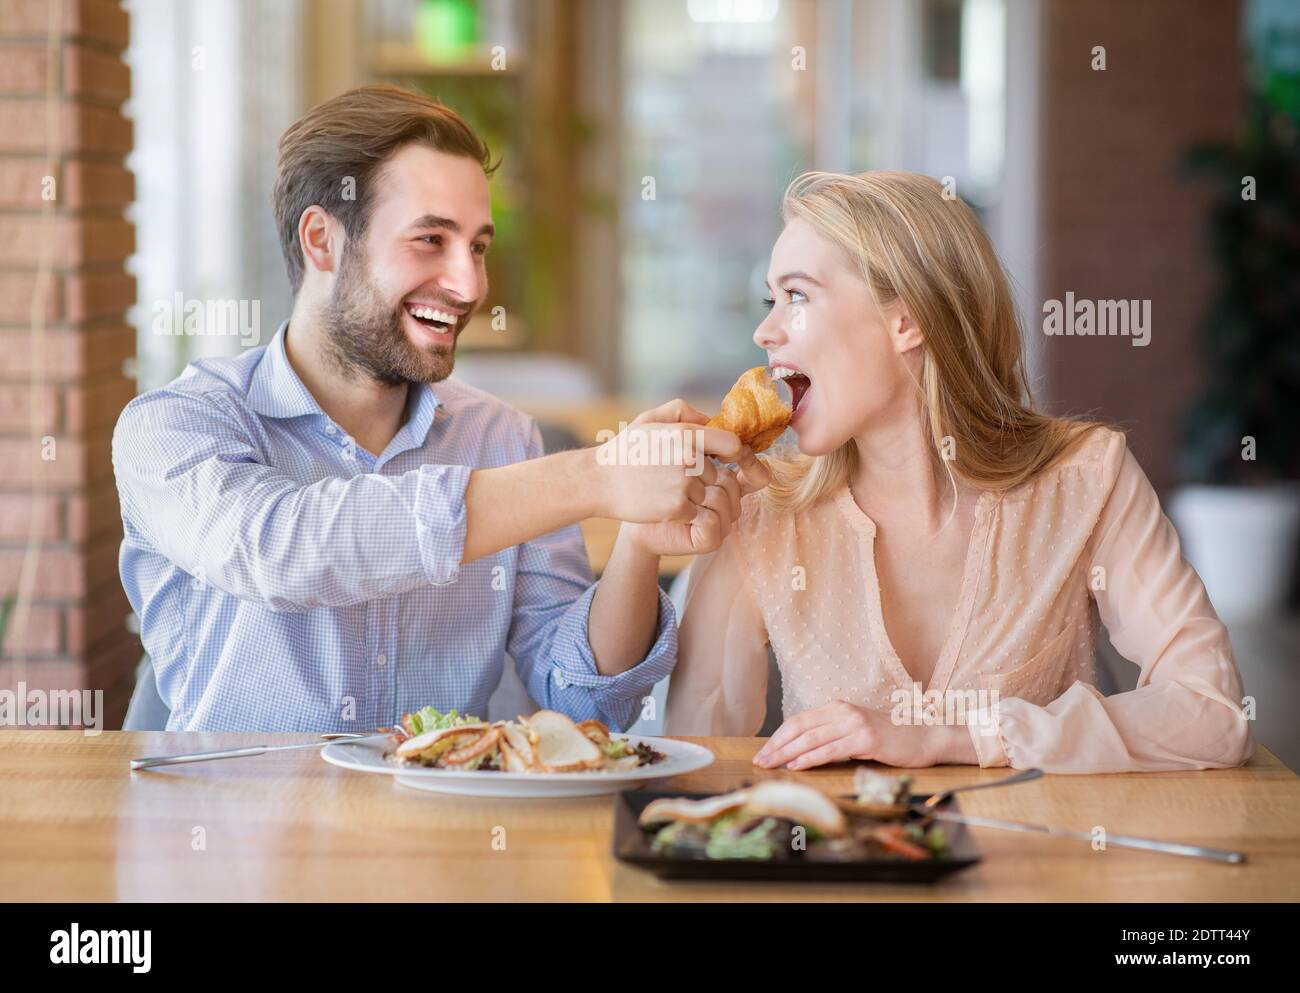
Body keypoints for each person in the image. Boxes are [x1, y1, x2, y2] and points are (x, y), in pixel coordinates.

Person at [112, 85, 756, 732]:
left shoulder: (502, 439)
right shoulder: (176, 427)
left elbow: (579, 701)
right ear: (322, 241)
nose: (471, 284)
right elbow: (283, 551)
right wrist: (598, 477)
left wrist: (638, 542)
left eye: (477, 246)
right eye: (430, 239)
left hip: (447, 829)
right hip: (235, 825)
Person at [666, 170, 1255, 775]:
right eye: (772, 300)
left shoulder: (1085, 478)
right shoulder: (759, 509)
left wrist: (955, 738)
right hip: (845, 866)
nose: (766, 332)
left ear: (908, 320)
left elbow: (1213, 716)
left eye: (797, 296)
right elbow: (694, 767)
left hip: (1046, 861)